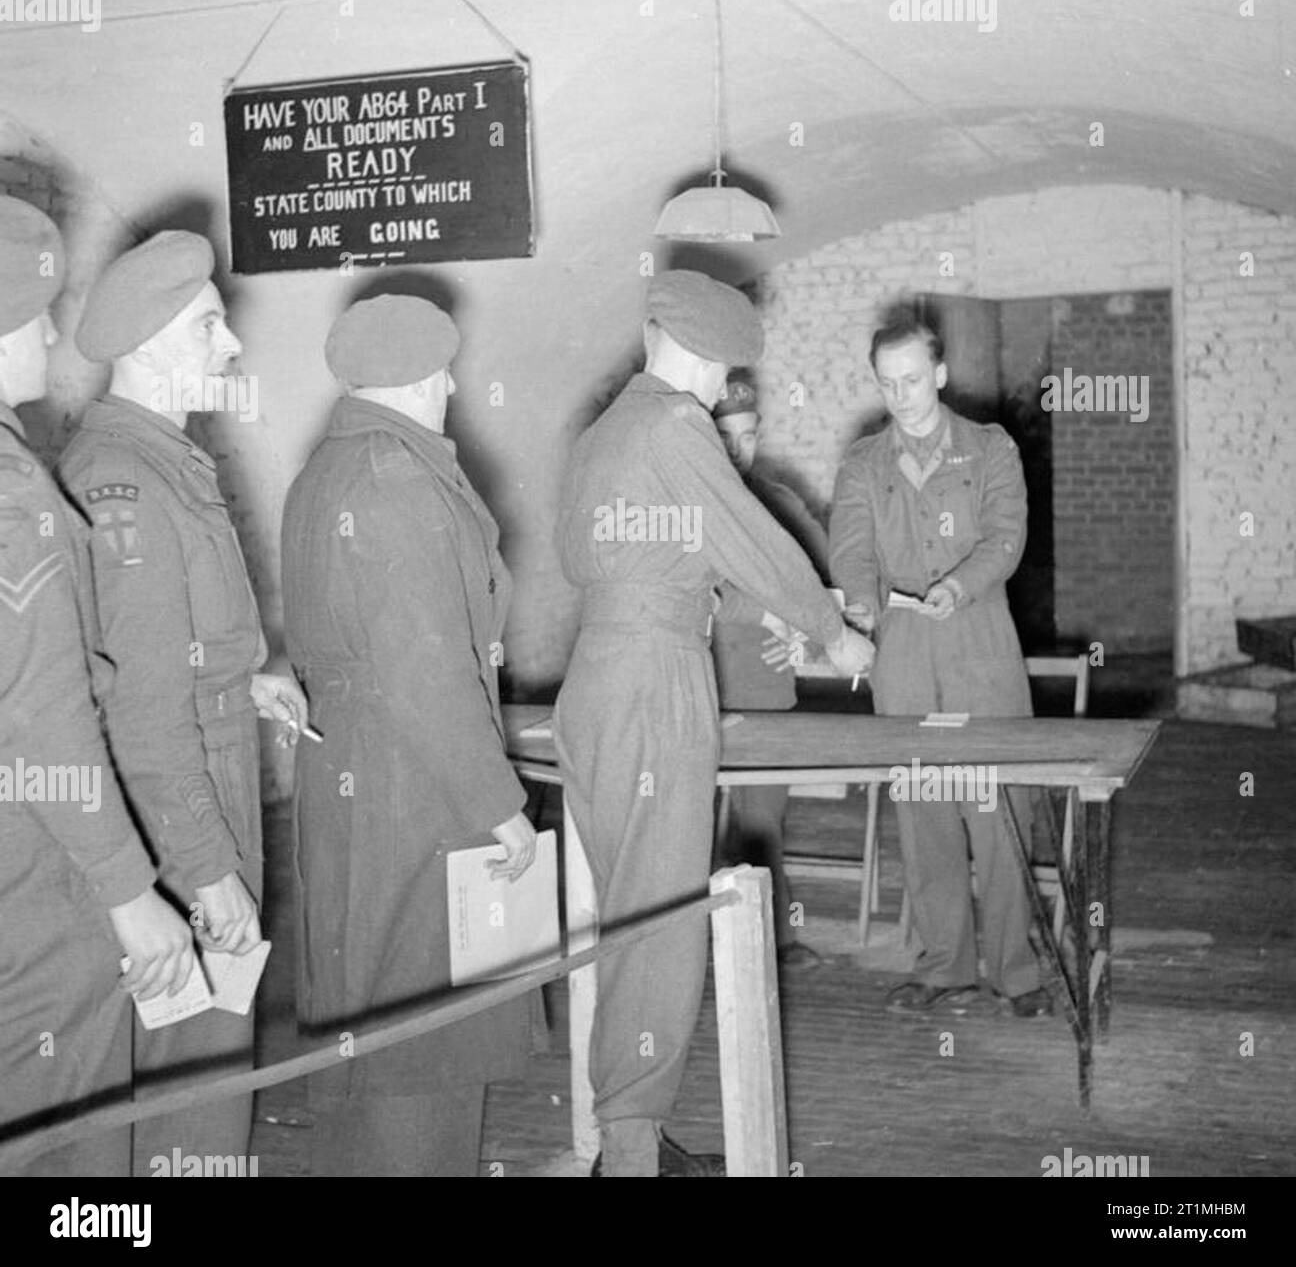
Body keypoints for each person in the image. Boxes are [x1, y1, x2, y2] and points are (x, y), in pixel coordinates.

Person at [554, 270, 873, 1177]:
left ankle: (631, 1135)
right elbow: (751, 536)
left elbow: (625, 560)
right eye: (721, 368)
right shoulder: (677, 425)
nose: (716, 386)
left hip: (600, 677)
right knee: (661, 925)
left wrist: (748, 606)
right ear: (699, 353)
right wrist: (829, 633)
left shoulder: (603, 434)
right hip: (657, 684)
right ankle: (627, 1155)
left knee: (630, 918)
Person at [57, 230, 306, 1173]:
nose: (232, 345)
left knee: (203, 1071)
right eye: (211, 327)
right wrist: (207, 874)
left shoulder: (160, 458)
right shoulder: (122, 481)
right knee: (187, 1090)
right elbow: (143, 715)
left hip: (200, 784)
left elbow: (155, 650)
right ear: (152, 341)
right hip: (176, 819)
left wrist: (243, 673)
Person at [281, 294, 536, 1177]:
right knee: (427, 1038)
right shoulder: (395, 478)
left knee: (364, 1025)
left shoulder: (328, 468)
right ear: (420, 380)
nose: (454, 385)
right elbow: (426, 670)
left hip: (354, 773)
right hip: (411, 789)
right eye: (445, 372)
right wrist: (499, 806)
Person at [0, 197, 194, 1176]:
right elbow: (39, 717)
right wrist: (127, 893)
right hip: (32, 874)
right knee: (67, 1135)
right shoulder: (14, 495)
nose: (45, 329)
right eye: (31, 310)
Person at [828, 316, 1051, 1018]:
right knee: (924, 821)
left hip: (981, 649)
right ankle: (944, 967)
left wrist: (960, 585)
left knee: (1001, 817)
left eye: (914, 380)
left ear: (941, 374)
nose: (903, 396)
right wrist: (860, 612)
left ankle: (1018, 974)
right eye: (888, 384)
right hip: (903, 660)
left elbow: (1006, 538)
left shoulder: (989, 449)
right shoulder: (863, 463)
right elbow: (852, 555)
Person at [711, 369, 830, 968]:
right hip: (698, 688)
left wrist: (806, 643)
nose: (737, 450)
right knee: (689, 824)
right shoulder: (679, 505)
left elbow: (825, 597)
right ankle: (689, 942)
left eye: (749, 435)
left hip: (762, 687)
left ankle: (770, 940)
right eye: (723, 435)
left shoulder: (779, 503)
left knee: (763, 824)